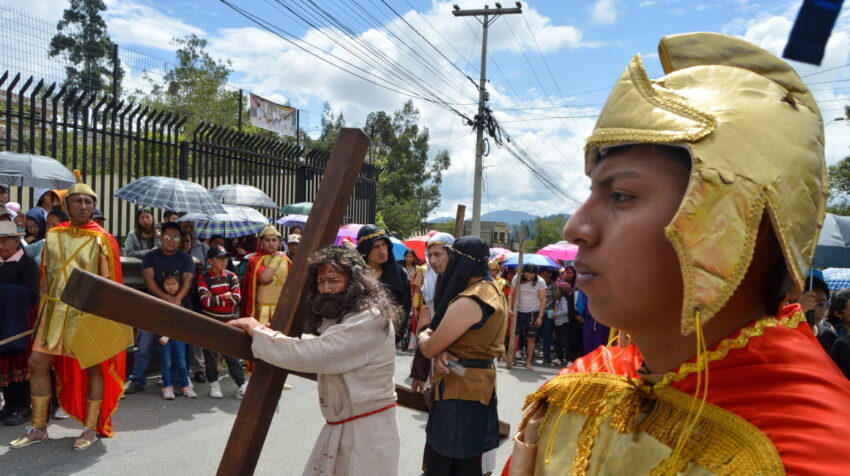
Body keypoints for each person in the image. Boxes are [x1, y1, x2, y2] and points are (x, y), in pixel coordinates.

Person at [506, 33, 850, 475]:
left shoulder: (809, 452)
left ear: (740, 221)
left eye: (622, 196)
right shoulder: (575, 389)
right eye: (593, 192)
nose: (576, 228)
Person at [229, 246, 400, 476]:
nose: (326, 288)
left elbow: (318, 353)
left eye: (334, 280)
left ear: (354, 282)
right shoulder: (350, 315)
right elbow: (329, 344)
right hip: (345, 427)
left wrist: (263, 334)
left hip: (367, 432)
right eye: (321, 281)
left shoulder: (369, 318)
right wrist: (278, 338)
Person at [11, 173, 132, 450]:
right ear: (67, 205)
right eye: (77, 201)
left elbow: (109, 285)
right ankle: (38, 427)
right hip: (52, 313)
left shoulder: (102, 239)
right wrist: (41, 310)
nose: (83, 206)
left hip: (86, 315)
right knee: (36, 364)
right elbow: (45, 278)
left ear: (93, 207)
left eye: (88, 202)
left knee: (92, 368)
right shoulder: (54, 235)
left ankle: (90, 429)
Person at [418, 236, 508, 476]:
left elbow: (428, 347)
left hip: (461, 391)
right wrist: (441, 350)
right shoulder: (493, 290)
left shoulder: (470, 299)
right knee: (465, 461)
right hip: (476, 385)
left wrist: (425, 334)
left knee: (449, 463)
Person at [124, 222, 194, 396]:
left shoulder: (185, 258)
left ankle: (178, 382)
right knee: (145, 345)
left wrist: (177, 299)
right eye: (168, 236)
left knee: (179, 348)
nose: (171, 240)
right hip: (153, 307)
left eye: (176, 237)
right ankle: (137, 379)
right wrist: (165, 298)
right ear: (161, 237)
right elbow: (148, 280)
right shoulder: (151, 256)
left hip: (176, 309)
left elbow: (188, 280)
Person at [0, 221, 40, 425]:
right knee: (3, 364)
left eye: (6, 241)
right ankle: (8, 405)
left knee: (19, 362)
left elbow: (33, 293)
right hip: (2, 321)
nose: (2, 246)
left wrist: (4, 291)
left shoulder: (26, 263)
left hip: (20, 322)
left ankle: (23, 406)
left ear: (17, 241)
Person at [198, 246, 246, 399]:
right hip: (210, 322)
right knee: (210, 353)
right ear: (211, 260)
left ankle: (241, 385)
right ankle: (214, 385)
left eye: (225, 258)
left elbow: (237, 298)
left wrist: (216, 297)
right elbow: (205, 302)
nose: (224, 261)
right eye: (220, 258)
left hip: (228, 321)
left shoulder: (232, 276)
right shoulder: (203, 277)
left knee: (232, 354)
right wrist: (226, 295)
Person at [410, 233, 454, 392]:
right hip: (435, 345)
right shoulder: (430, 276)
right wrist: (419, 371)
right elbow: (428, 325)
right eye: (429, 255)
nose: (433, 260)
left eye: (438, 254)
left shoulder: (462, 282)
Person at [356, 225, 411, 344]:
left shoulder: (400, 273)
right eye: (376, 246)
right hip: (358, 336)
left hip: (387, 337)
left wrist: (395, 335)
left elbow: (405, 306)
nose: (382, 251)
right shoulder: (356, 273)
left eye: (384, 245)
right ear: (366, 249)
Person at [155, 270, 196, 400]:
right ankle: (167, 387)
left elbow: (189, 318)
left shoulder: (185, 299)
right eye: (168, 284)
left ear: (180, 285)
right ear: (163, 285)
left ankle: (185, 386)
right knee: (166, 362)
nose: (171, 287)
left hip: (179, 335)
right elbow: (156, 320)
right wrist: (161, 335)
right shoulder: (160, 299)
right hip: (163, 337)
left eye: (174, 283)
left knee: (181, 362)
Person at [241, 225, 290, 324]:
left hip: (281, 310)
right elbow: (265, 278)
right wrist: (277, 259)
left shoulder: (286, 259)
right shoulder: (255, 260)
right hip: (262, 311)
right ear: (261, 242)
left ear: (279, 242)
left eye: (274, 240)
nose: (271, 243)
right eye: (267, 240)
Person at [509, 263, 546, 370]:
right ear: (524, 272)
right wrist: (509, 309)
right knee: (514, 336)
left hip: (533, 313)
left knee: (531, 338)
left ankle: (528, 362)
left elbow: (543, 300)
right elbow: (511, 295)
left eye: (532, 275)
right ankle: (511, 359)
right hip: (518, 311)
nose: (529, 276)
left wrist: (540, 317)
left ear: (535, 274)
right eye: (527, 274)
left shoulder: (540, 281)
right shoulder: (517, 278)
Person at [797, 271, 837, 353]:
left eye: (821, 304)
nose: (815, 310)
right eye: (809, 303)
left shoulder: (829, 335)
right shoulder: (786, 334)